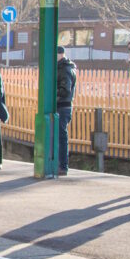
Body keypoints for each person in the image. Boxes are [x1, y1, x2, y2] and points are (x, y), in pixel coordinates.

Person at [57, 46, 77, 176]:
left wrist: (51, 94)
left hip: (62, 106)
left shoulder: (65, 69)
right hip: (63, 105)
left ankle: (63, 166)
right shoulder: (65, 67)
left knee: (61, 136)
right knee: (60, 136)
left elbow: (65, 90)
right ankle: (61, 165)